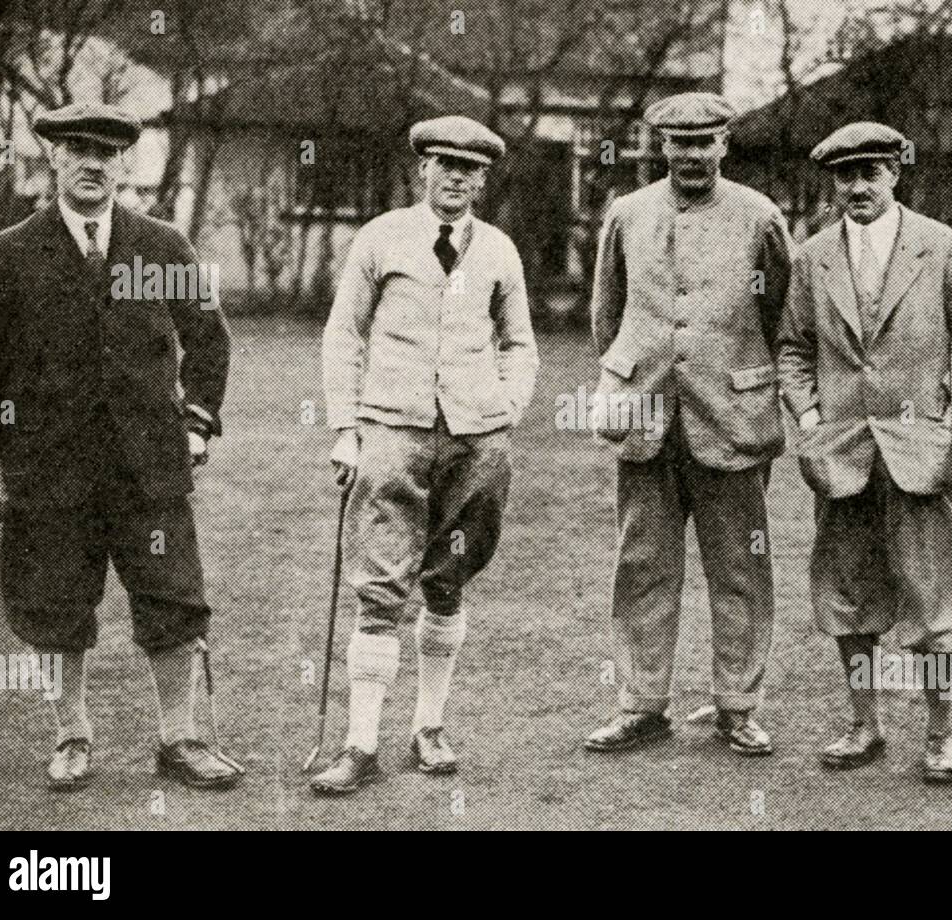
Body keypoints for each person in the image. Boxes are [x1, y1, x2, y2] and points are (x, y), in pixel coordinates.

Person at [0, 102, 238, 790]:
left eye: (106, 152)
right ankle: (71, 736)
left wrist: (196, 424)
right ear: (53, 157)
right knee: (54, 604)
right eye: (78, 149)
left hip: (148, 470)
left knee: (173, 600)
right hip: (48, 470)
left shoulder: (160, 247)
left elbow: (207, 339)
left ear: (123, 163)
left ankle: (179, 739)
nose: (92, 163)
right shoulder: (10, 254)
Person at [313, 115, 538, 795]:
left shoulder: (498, 250)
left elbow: (519, 343)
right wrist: (345, 428)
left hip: (476, 441)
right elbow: (344, 335)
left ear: (483, 180)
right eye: (446, 165)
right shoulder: (382, 238)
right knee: (380, 586)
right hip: (392, 432)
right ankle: (359, 744)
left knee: (449, 578)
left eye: (471, 170)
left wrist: (506, 408)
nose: (457, 179)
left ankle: (429, 726)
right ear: (424, 170)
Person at [777, 121, 952, 783]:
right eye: (845, 176)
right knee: (847, 595)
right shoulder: (812, 257)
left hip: (920, 452)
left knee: (935, 599)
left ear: (895, 174)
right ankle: (864, 725)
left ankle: (941, 735)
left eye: (870, 173)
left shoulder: (940, 246)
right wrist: (810, 417)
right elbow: (792, 349)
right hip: (841, 455)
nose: (857, 187)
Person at [582, 92, 793, 756]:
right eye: (680, 142)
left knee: (740, 570)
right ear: (663, 146)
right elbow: (606, 313)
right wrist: (632, 376)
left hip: (731, 419)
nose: (693, 154)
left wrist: (743, 377)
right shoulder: (628, 214)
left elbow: (782, 316)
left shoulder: (759, 216)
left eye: (705, 142)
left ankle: (737, 706)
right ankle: (641, 705)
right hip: (644, 416)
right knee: (642, 566)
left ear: (725, 144)